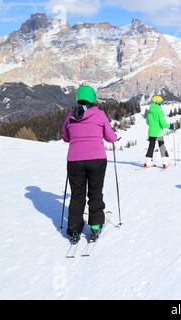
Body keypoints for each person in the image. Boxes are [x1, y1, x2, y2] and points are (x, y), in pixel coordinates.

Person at [62, 85, 117, 244]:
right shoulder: (100, 115)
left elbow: (65, 137)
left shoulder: (70, 115)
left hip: (75, 161)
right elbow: (110, 137)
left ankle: (74, 229)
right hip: (97, 160)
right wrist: (114, 137)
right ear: (93, 98)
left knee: (77, 195)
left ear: (78, 98)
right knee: (95, 192)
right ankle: (95, 226)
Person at [144, 96, 174, 168]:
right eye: (160, 103)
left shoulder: (149, 112)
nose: (161, 105)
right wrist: (170, 126)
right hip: (159, 132)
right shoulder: (160, 112)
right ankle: (165, 162)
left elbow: (147, 122)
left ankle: (148, 162)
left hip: (151, 132)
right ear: (157, 103)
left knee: (151, 146)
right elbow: (162, 124)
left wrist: (153, 125)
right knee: (161, 146)